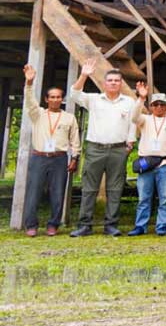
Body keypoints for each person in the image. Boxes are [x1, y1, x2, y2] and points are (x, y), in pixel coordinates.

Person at [69, 59, 136, 237]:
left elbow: (133, 123)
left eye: (117, 80)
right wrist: (84, 74)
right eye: (110, 80)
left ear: (121, 84)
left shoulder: (128, 102)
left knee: (115, 188)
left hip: (118, 149)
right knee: (89, 188)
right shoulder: (94, 99)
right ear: (104, 83)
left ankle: (111, 225)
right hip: (95, 148)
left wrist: (130, 141)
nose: (113, 83)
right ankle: (84, 225)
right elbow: (74, 94)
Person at [19, 63, 80, 237]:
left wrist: (74, 158)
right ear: (46, 99)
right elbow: (29, 102)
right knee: (33, 191)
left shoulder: (69, 117)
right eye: (51, 97)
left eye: (58, 97)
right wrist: (29, 83)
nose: (55, 100)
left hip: (59, 158)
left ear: (62, 99)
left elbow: (75, 139)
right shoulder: (38, 114)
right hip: (39, 157)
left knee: (58, 192)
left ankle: (53, 224)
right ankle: (31, 225)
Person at [129, 85, 166, 236]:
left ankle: (162, 226)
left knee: (165, 197)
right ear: (150, 107)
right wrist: (141, 98)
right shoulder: (145, 119)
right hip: (147, 163)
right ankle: (140, 226)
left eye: (162, 104)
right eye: (155, 104)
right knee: (144, 197)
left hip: (165, 162)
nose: (159, 107)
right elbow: (134, 117)